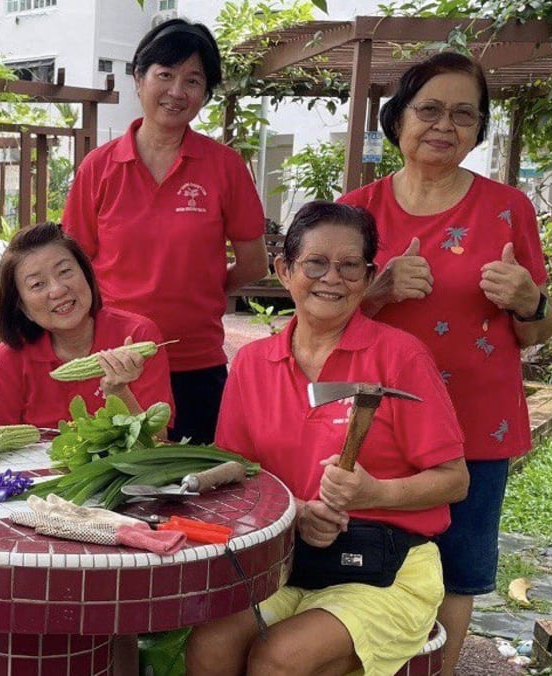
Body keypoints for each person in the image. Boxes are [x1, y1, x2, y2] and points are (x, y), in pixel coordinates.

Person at [337, 52, 552, 675]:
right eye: (428, 109)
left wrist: (528, 300)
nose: (444, 124)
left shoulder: (509, 207)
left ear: (479, 128)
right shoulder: (357, 210)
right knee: (366, 556)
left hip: (475, 423)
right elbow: (319, 319)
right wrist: (376, 292)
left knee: (459, 569)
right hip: (373, 416)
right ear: (398, 119)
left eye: (464, 113)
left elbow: (539, 328)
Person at [186, 201, 469, 675]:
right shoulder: (254, 363)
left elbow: (454, 480)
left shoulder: (400, 357)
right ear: (284, 270)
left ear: (368, 275)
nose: (331, 279)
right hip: (287, 562)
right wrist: (297, 510)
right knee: (210, 644)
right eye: (315, 263)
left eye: (350, 266)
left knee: (278, 660)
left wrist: (375, 491)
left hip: (387, 569)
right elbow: (241, 475)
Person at [62, 18, 269, 444]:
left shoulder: (225, 167)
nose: (177, 92)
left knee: (192, 490)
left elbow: (253, 263)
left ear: (206, 94)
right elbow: (74, 268)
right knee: (105, 487)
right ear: (139, 78)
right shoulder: (98, 168)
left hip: (195, 364)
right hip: (114, 363)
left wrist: (203, 287)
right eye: (165, 75)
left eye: (193, 80)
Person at [0, 222, 173, 428]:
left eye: (65, 271)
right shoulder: (9, 358)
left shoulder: (138, 334)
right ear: (22, 307)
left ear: (86, 273)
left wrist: (119, 392)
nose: (58, 290)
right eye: (38, 284)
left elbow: (157, 441)